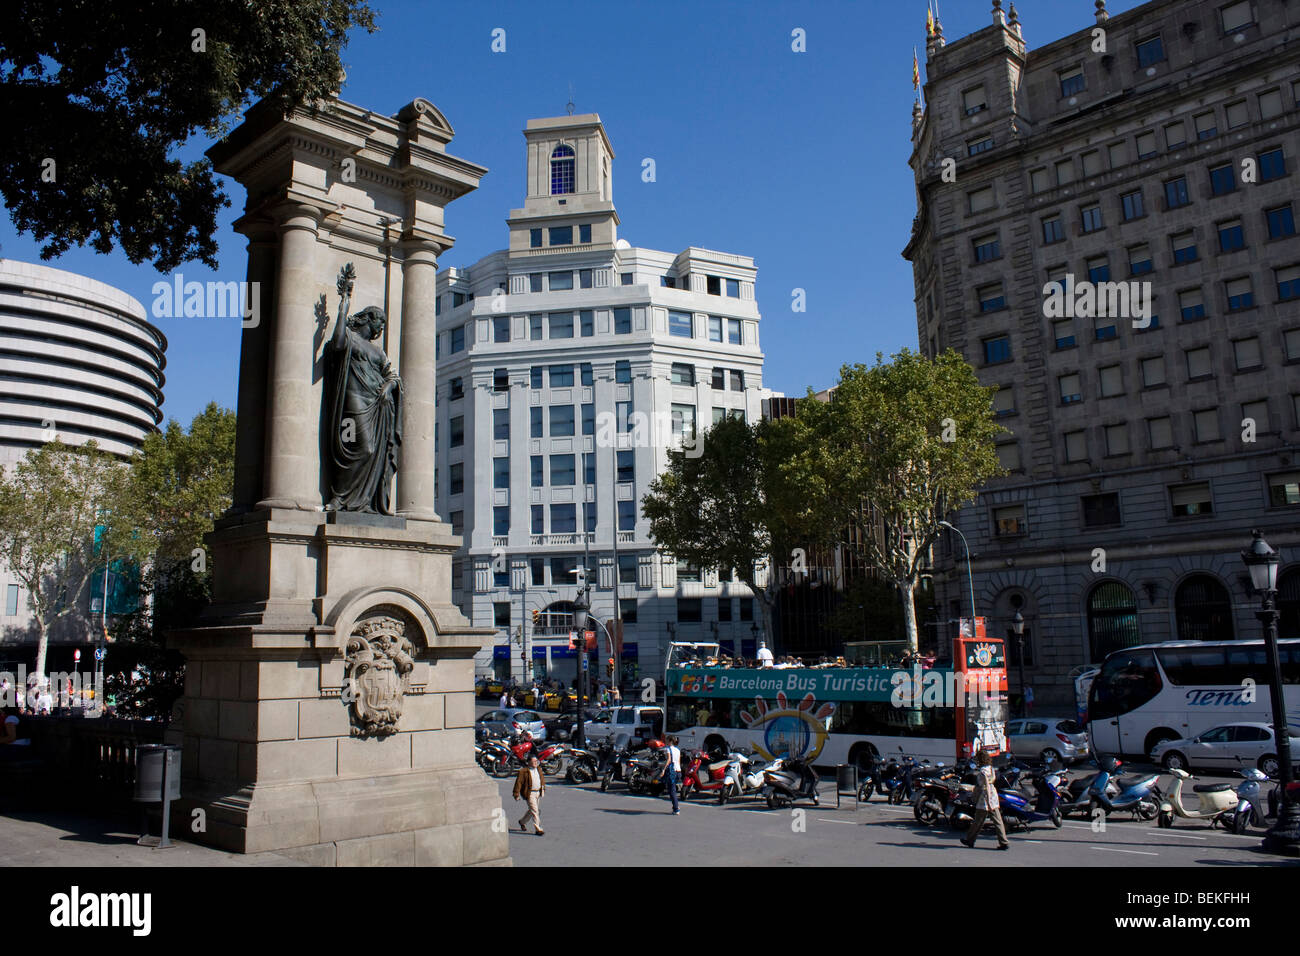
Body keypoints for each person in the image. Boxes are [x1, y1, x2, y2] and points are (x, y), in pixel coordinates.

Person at [962, 749, 1009, 850]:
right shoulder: (991, 768)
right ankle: (1003, 841)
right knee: (998, 820)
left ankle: (970, 840)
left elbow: (985, 786)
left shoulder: (983, 772)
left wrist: (987, 800)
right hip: (993, 795)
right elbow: (992, 782)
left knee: (978, 821)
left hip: (985, 798)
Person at [512, 754, 546, 835]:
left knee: (532, 810)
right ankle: (538, 829)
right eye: (533, 761)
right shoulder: (523, 771)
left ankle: (522, 821)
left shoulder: (539, 769)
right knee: (535, 810)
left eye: (536, 761)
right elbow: (518, 783)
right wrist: (516, 794)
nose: (535, 763)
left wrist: (543, 789)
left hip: (538, 792)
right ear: (528, 762)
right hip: (530, 793)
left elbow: (542, 780)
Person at [661, 735, 682, 815]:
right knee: (672, 789)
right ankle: (676, 806)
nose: (666, 742)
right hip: (678, 771)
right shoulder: (678, 750)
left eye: (666, 740)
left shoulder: (668, 749)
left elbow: (669, 760)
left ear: (670, 741)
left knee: (672, 790)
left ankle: (676, 808)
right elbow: (679, 761)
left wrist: (664, 769)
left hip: (672, 771)